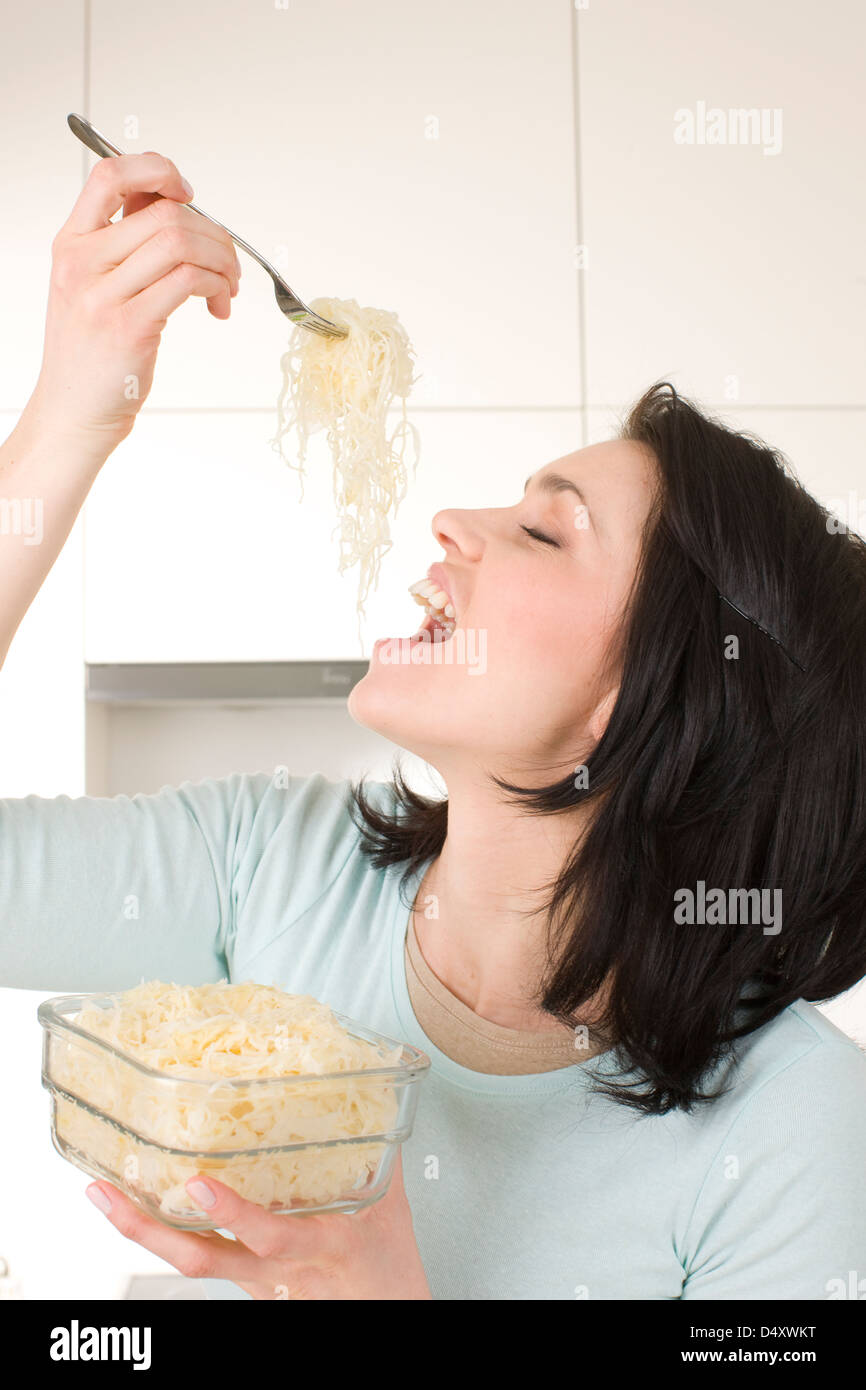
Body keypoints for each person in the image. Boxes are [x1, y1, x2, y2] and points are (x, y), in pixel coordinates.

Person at [2, 152, 865, 1301]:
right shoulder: (273, 866)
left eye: (546, 533)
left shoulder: (795, 1133)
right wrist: (68, 415)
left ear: (657, 702)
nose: (453, 520)